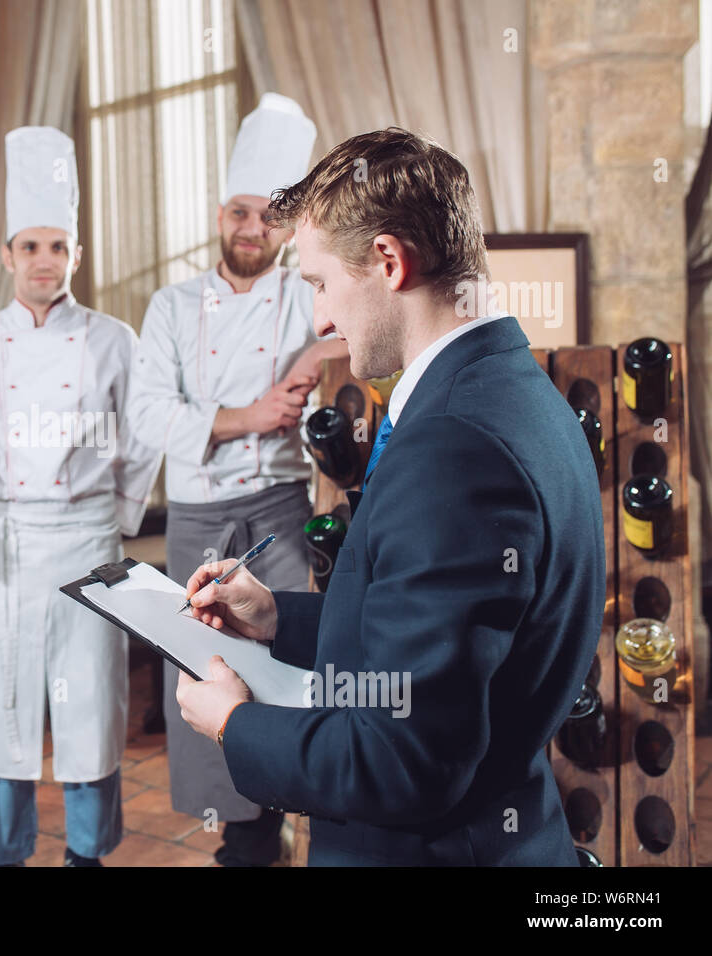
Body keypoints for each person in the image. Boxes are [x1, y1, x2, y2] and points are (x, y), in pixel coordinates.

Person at [175, 128, 606, 866]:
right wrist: (277, 616)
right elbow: (431, 640)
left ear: (387, 261)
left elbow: (403, 763)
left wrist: (235, 726)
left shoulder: (455, 447)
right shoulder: (514, 389)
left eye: (317, 283)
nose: (318, 321)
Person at [126, 93, 347, 866]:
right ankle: (242, 836)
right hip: (195, 517)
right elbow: (150, 413)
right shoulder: (171, 305)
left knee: (283, 668)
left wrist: (309, 361)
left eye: (267, 217)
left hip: (282, 516)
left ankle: (291, 818)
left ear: (287, 227)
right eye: (238, 213)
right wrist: (252, 414)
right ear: (220, 213)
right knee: (208, 670)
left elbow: (355, 337)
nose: (252, 230)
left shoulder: (306, 296)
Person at [0, 126, 161, 866]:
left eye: (58, 247)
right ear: (6, 255)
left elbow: (142, 435)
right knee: (3, 706)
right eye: (30, 247)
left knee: (90, 704)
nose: (45, 262)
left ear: (77, 255)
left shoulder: (114, 339)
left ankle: (86, 853)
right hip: (13, 542)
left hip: (91, 537)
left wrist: (116, 517)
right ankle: (6, 853)